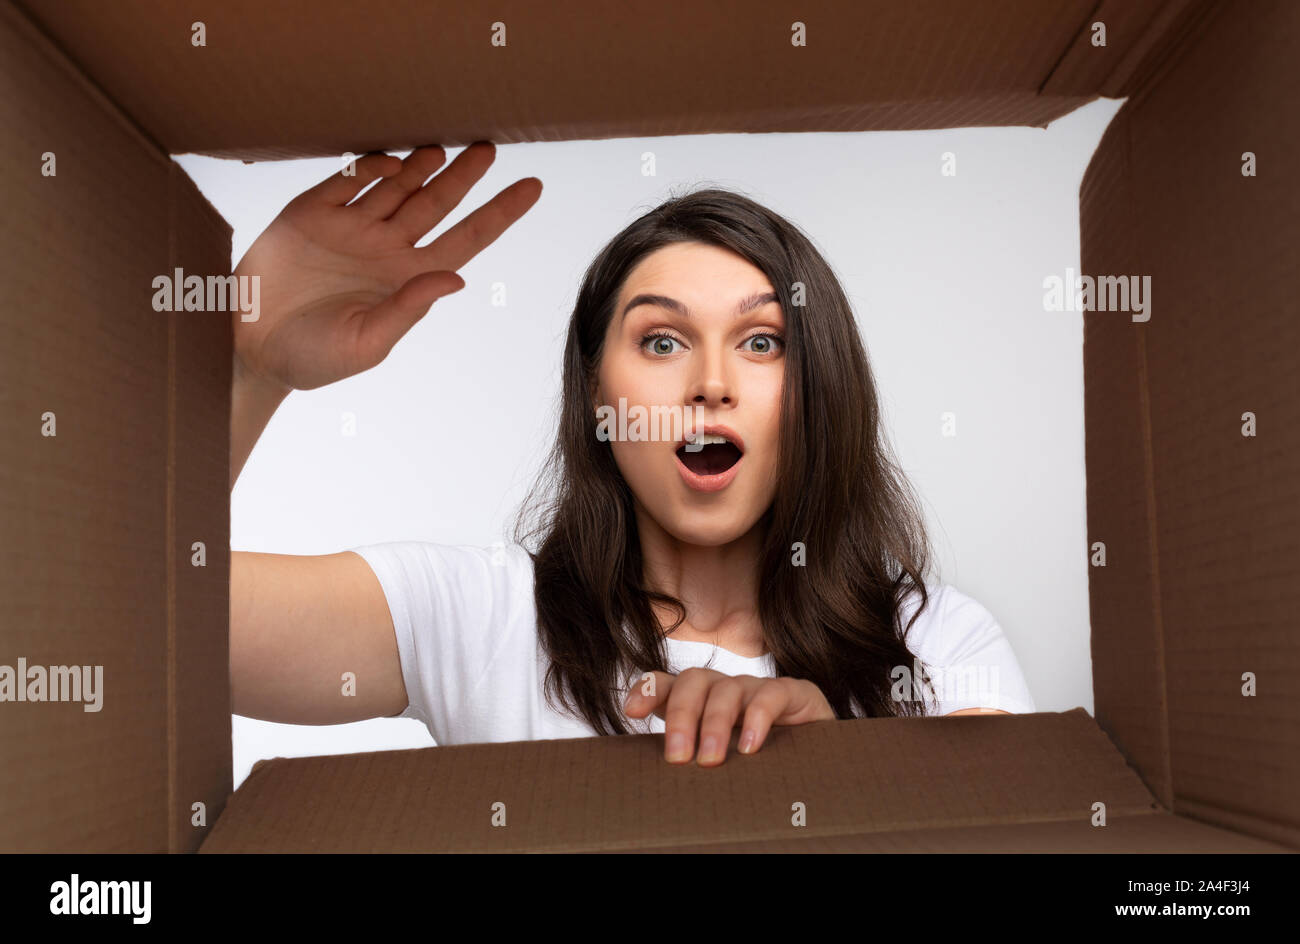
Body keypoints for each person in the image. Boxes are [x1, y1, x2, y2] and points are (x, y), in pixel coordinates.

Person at [230, 141, 1035, 768]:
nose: (711, 383)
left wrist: (835, 771)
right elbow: (160, 623)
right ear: (596, 395)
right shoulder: (483, 617)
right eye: (661, 340)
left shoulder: (936, 644)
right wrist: (245, 369)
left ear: (821, 387)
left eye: (761, 341)